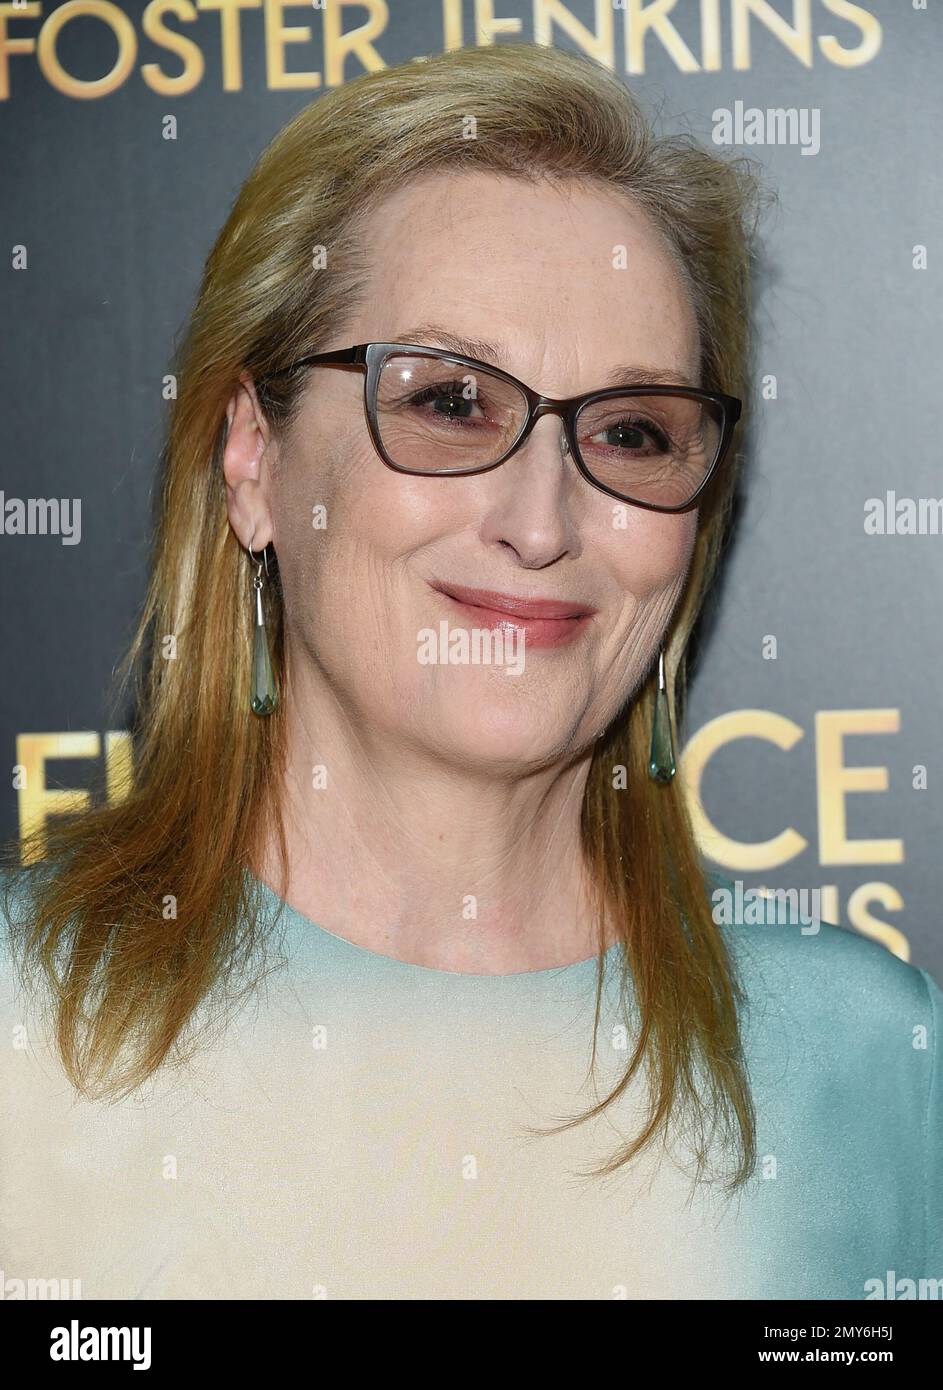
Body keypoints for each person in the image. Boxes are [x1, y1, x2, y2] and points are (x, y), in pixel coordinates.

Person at [1, 42, 939, 1301]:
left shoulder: (870, 1062)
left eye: (630, 430)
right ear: (253, 458)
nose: (541, 521)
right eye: (450, 402)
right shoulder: (19, 1021)